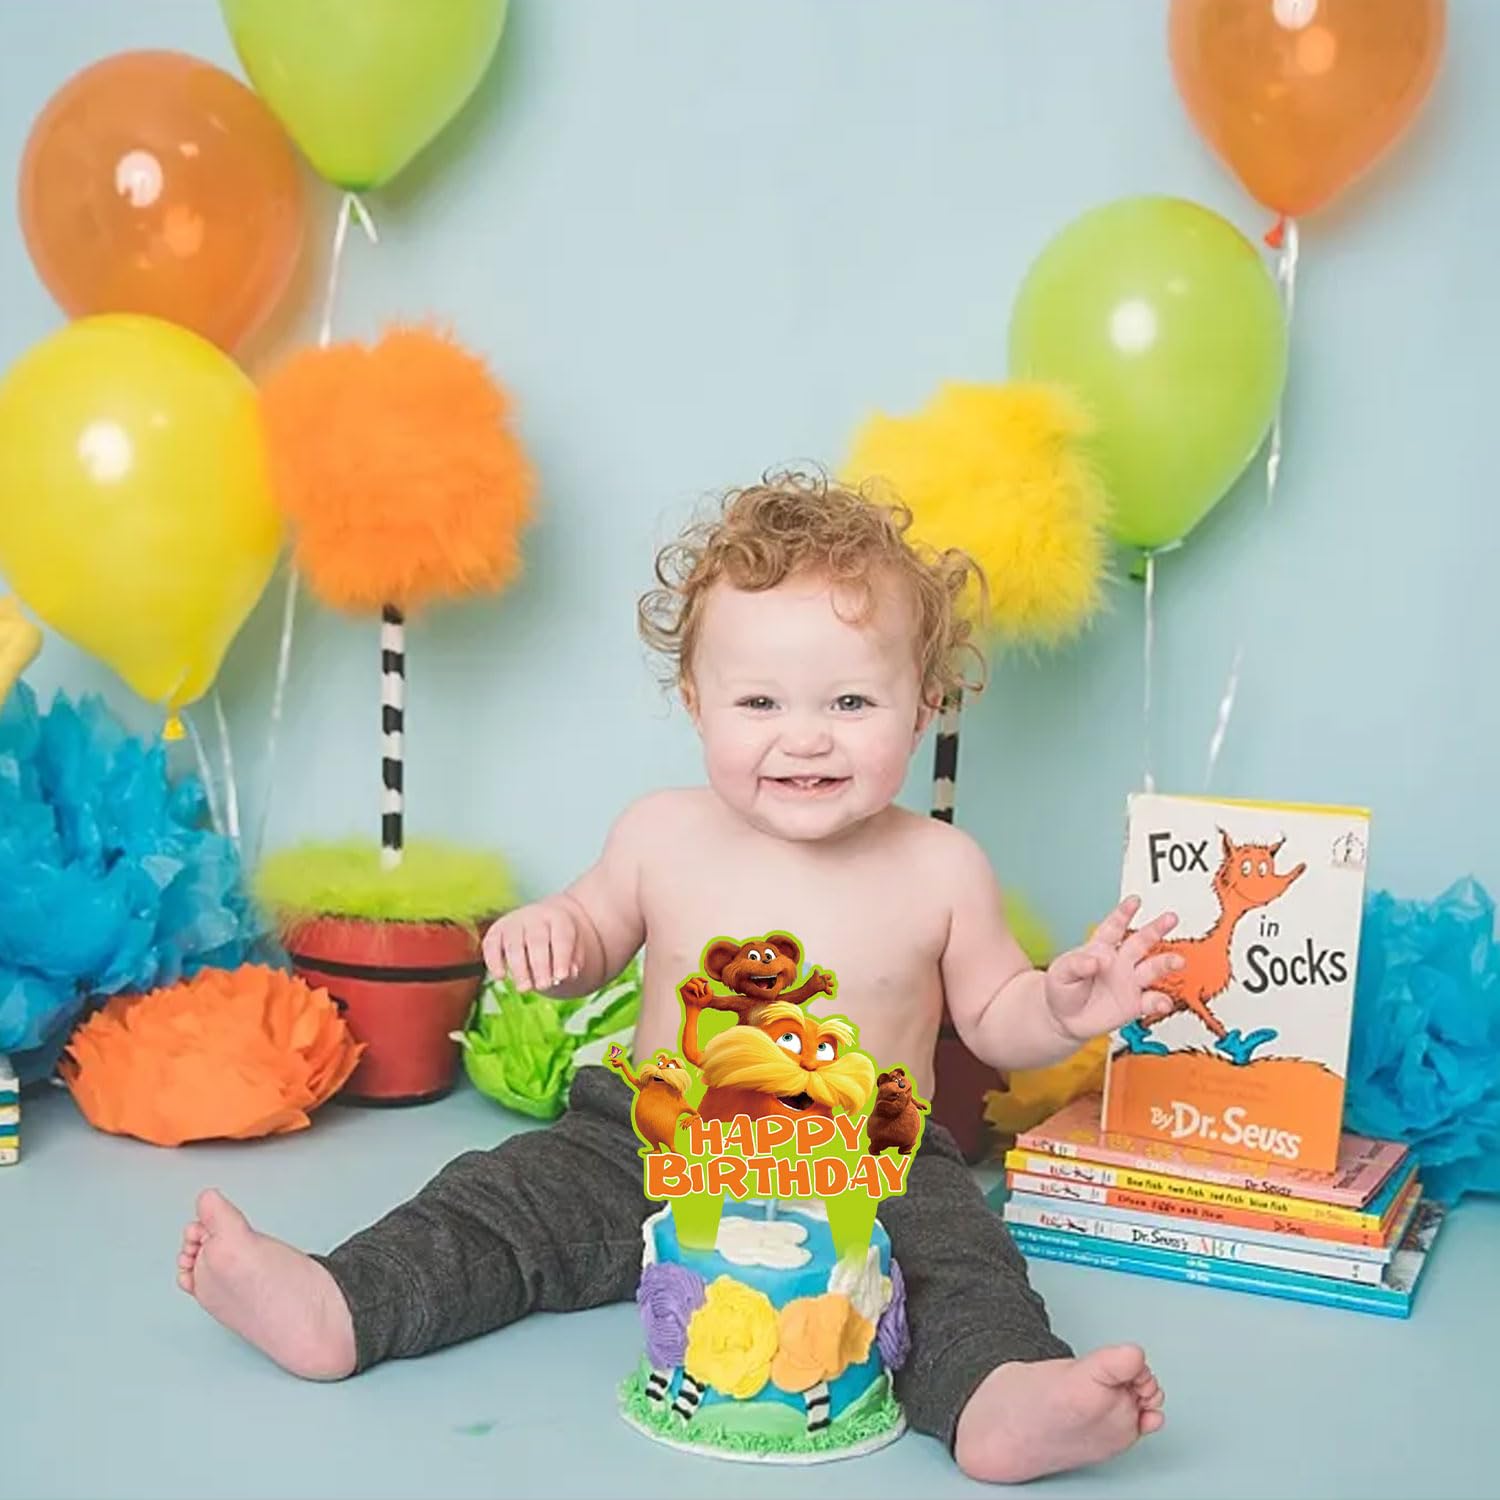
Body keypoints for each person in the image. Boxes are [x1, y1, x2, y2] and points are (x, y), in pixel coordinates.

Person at [178, 470, 1179, 1483]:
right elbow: (591, 934)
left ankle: (1000, 1395)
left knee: (959, 1262)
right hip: (654, 1138)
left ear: (922, 706)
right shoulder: (661, 834)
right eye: (760, 701)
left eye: (850, 701)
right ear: (697, 703)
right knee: (502, 1201)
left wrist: (1062, 1007)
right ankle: (344, 1303)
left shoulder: (941, 867)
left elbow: (997, 1016)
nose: (805, 735)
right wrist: (553, 937)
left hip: (871, 1161)